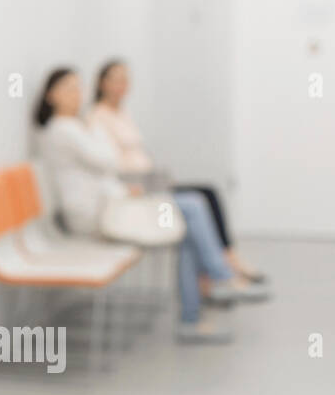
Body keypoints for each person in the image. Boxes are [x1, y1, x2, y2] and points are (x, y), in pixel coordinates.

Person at [33, 68, 264, 346]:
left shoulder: (77, 127)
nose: (76, 94)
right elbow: (108, 160)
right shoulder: (63, 130)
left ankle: (200, 306)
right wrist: (93, 127)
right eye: (67, 88)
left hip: (112, 207)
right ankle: (219, 279)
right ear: (50, 95)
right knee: (191, 206)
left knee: (188, 217)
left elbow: (104, 170)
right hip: (97, 218)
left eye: (78, 87)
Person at [88, 59, 266, 283]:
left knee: (209, 191)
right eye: (115, 79)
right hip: (136, 186)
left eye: (125, 79)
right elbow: (110, 164)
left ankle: (228, 258)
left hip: (150, 179)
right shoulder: (98, 117)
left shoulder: (122, 113)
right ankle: (222, 270)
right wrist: (142, 182)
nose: (121, 85)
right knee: (197, 201)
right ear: (101, 83)